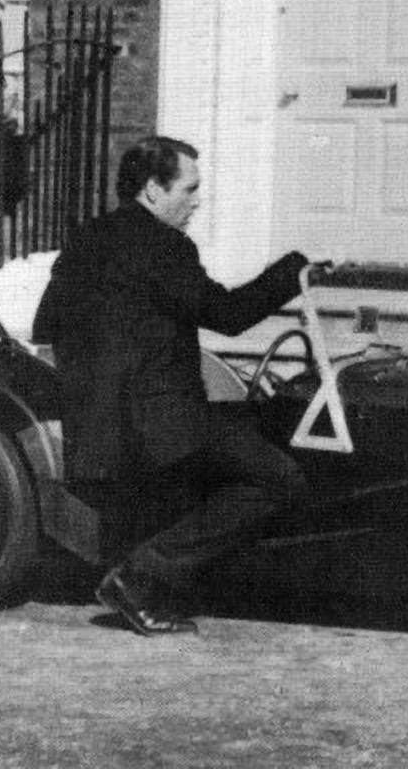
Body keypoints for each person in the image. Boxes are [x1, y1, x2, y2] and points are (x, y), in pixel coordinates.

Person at [32, 135, 310, 636]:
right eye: (189, 189)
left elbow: (46, 324)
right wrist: (296, 271)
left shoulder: (87, 238)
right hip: (156, 424)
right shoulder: (165, 246)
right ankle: (139, 578)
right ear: (153, 191)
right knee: (280, 478)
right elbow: (229, 315)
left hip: (96, 423)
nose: (197, 201)